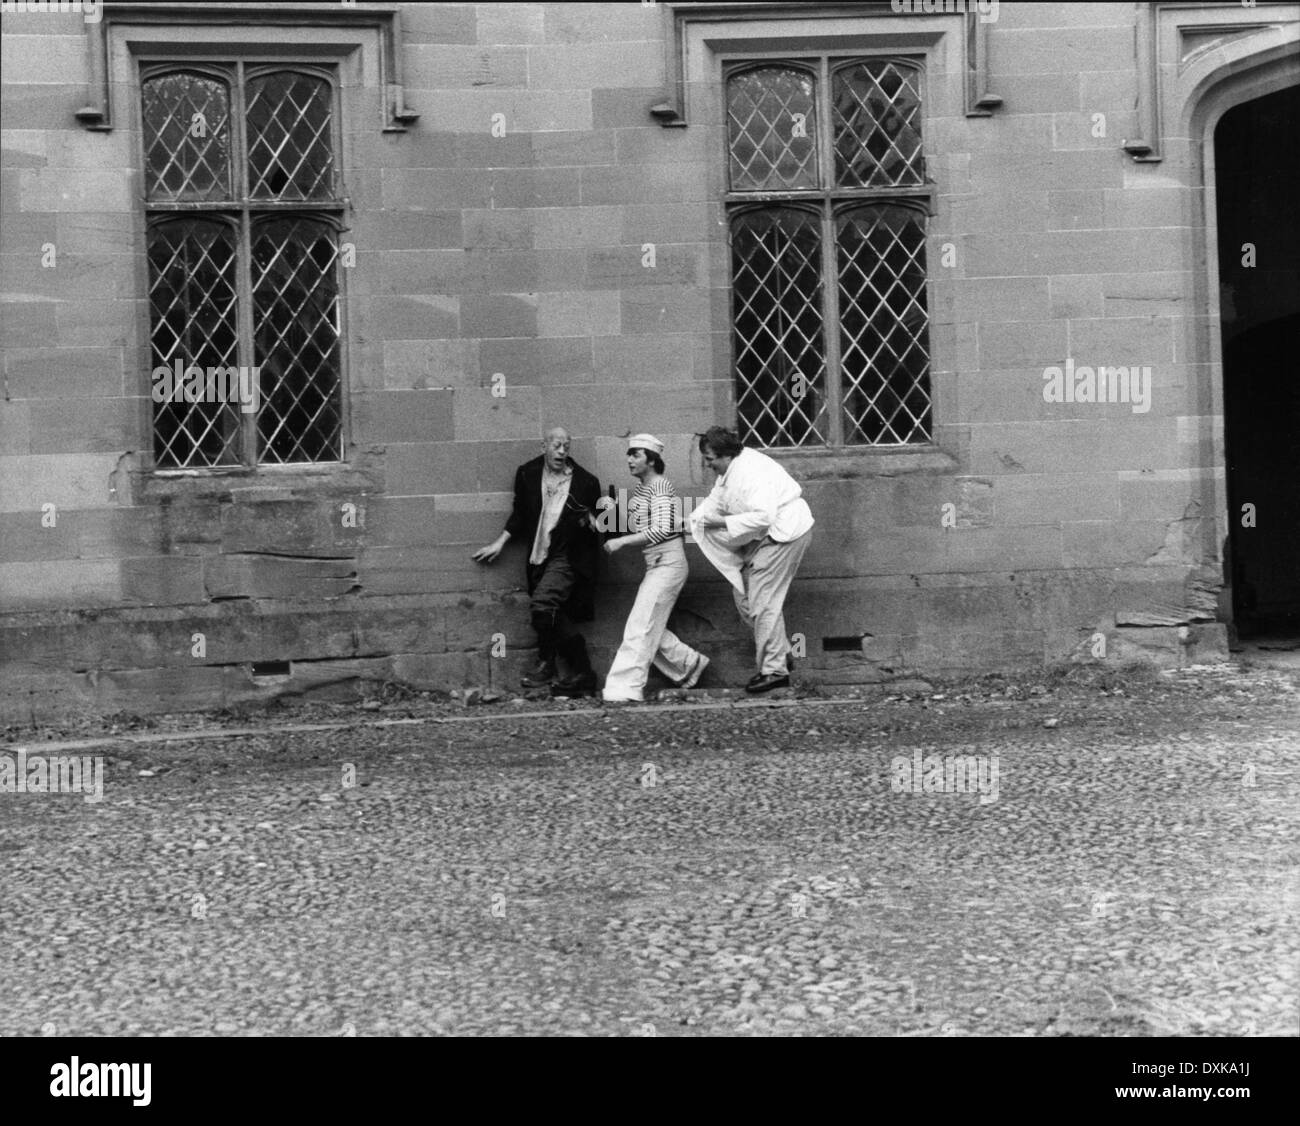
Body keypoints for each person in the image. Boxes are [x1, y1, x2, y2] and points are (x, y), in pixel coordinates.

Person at [472, 427, 603, 695]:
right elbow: (520, 513)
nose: (562, 451)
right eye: (556, 445)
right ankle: (582, 675)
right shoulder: (528, 473)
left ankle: (550, 666)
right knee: (548, 610)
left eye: (567, 446)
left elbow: (601, 520)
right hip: (538, 555)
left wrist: (593, 519)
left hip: (568, 555)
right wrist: (500, 542)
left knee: (543, 604)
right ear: (543, 446)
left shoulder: (586, 482)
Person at [687, 425, 814, 693]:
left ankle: (774, 670)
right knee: (744, 595)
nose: (708, 465)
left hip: (785, 532)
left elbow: (763, 516)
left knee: (762, 599)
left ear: (725, 456)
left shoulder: (750, 472)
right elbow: (715, 500)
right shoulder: (730, 472)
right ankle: (781, 654)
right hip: (767, 536)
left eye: (710, 460)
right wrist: (692, 521)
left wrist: (719, 522)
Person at [600, 434, 710, 702]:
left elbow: (661, 529)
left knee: (641, 624)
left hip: (668, 563)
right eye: (629, 454)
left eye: (635, 455)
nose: (629, 460)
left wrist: (622, 541)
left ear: (651, 460)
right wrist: (610, 514)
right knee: (648, 623)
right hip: (658, 563)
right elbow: (643, 527)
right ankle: (688, 664)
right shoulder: (645, 488)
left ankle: (625, 689)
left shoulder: (659, 486)